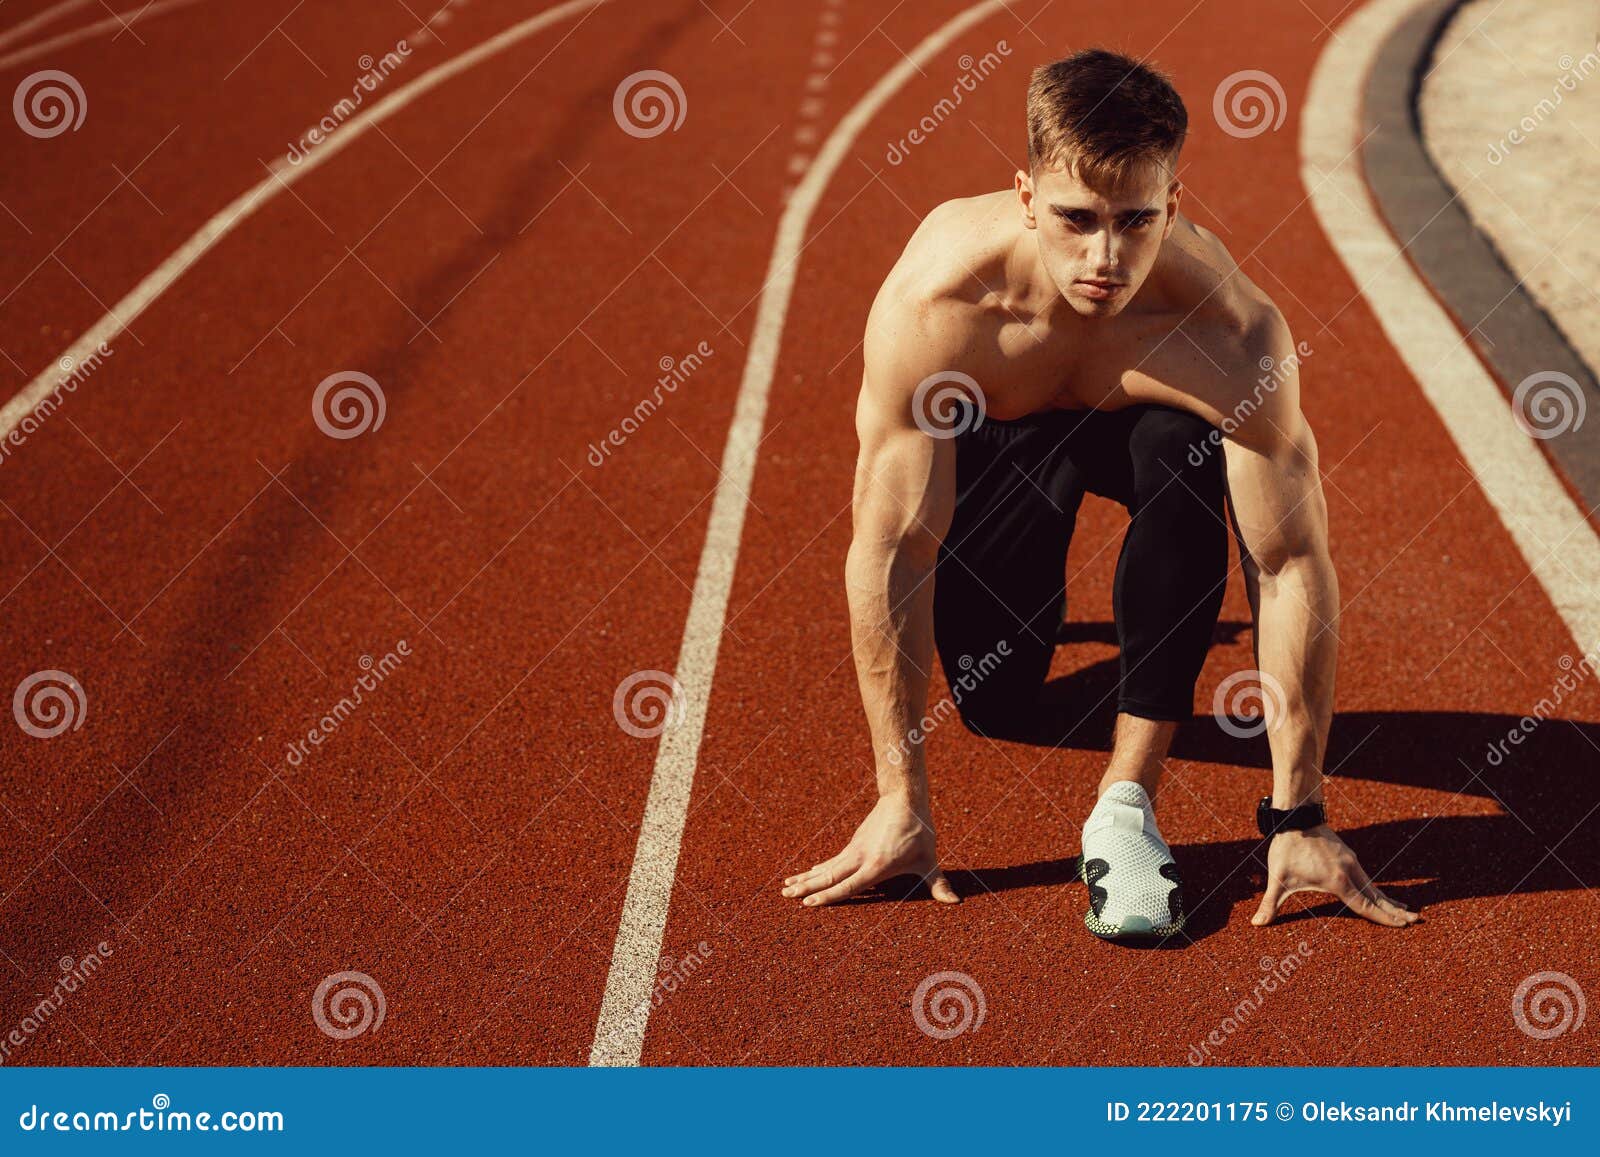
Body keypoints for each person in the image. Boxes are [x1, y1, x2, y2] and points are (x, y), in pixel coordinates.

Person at [780, 48, 1419, 939]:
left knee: (1184, 447)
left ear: (1174, 206)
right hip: (1001, 438)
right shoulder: (940, 311)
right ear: (1026, 197)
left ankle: (1127, 800)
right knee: (999, 704)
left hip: (1144, 427)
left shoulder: (1230, 335)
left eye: (1136, 220)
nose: (1106, 258)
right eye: (1076, 219)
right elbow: (895, 548)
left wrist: (1299, 813)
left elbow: (1288, 565)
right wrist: (900, 798)